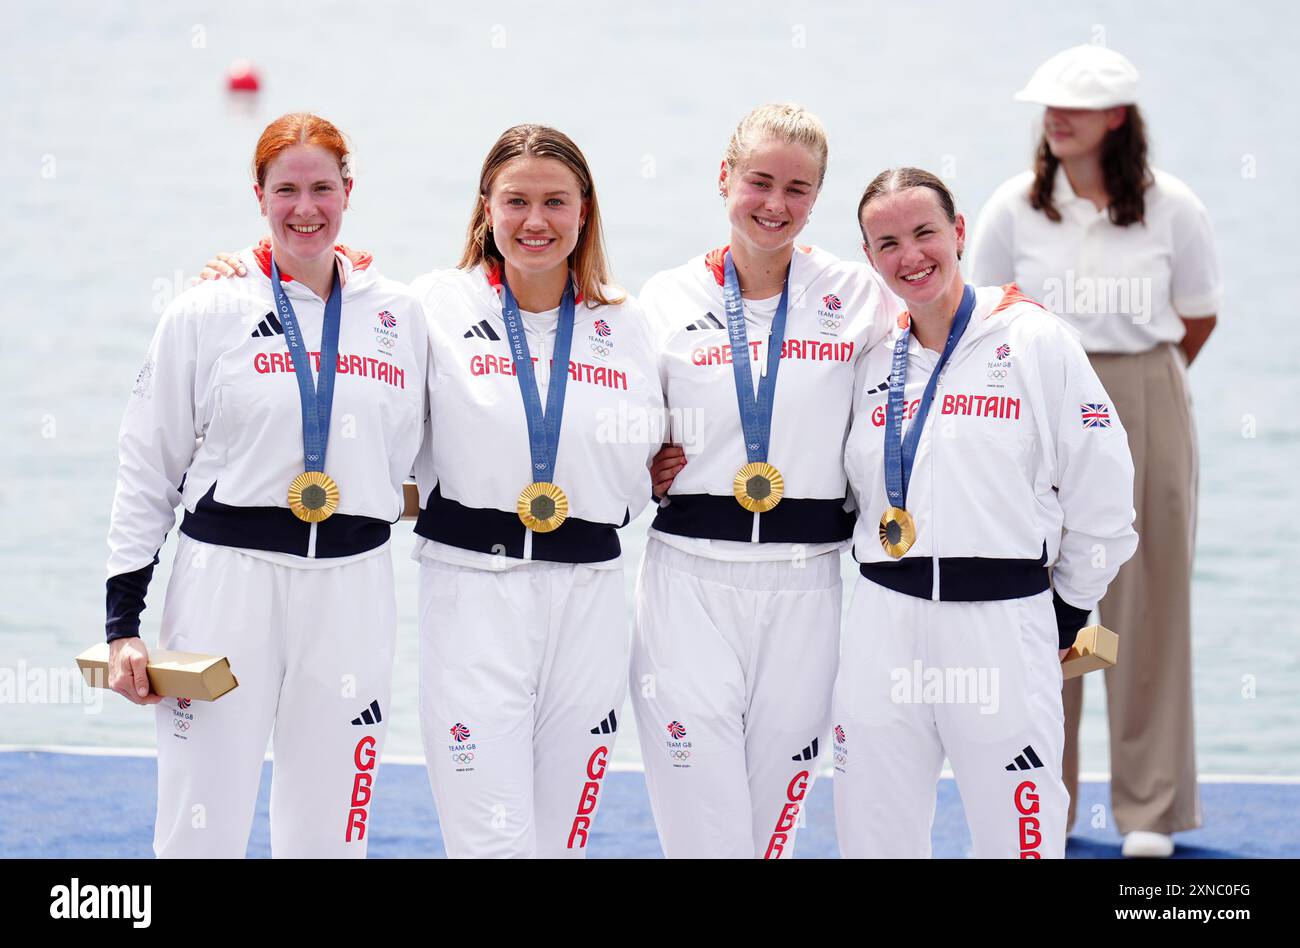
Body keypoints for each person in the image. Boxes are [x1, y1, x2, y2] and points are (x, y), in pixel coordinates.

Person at [105, 112, 428, 857]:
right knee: (200, 822)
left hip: (352, 587)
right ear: (258, 195)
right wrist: (123, 623)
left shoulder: (400, 313)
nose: (305, 208)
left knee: (330, 833)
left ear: (349, 191)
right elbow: (146, 464)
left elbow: (440, 445)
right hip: (227, 586)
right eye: (287, 190)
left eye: (322, 187)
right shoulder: (204, 310)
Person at [834, 167, 1137, 858]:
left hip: (1005, 625)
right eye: (887, 243)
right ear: (869, 257)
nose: (910, 256)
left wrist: (1068, 610)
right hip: (885, 622)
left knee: (1018, 842)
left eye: (924, 233)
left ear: (960, 232)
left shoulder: (1036, 340)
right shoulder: (870, 354)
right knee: (874, 840)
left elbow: (1104, 494)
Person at [969, 45, 1220, 858]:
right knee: (1054, 605)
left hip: (1146, 395)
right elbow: (986, 317)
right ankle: (1052, 800)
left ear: (1116, 117)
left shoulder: (1171, 206)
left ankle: (1148, 812)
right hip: (1039, 405)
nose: (1055, 117)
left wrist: (1131, 396)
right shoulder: (1015, 206)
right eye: (1048, 104)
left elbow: (1197, 319)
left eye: (1074, 104)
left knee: (1145, 607)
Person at [634, 103, 902, 858]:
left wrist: (1009, 312)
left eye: (798, 188)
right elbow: (613, 422)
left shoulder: (856, 296)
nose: (776, 205)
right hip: (688, 583)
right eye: (759, 181)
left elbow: (937, 327)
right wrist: (644, 459)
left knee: (769, 832)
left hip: (806, 582)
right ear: (724, 178)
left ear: (817, 197)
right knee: (703, 826)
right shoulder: (664, 299)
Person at [407, 125, 663, 858]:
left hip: (589, 595)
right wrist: (244, 268)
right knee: (494, 841)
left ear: (585, 210)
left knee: (560, 845)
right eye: (516, 201)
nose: (536, 221)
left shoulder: (627, 321)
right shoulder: (433, 304)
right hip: (473, 592)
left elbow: (671, 442)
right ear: (485, 208)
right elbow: (330, 301)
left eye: (556, 201)